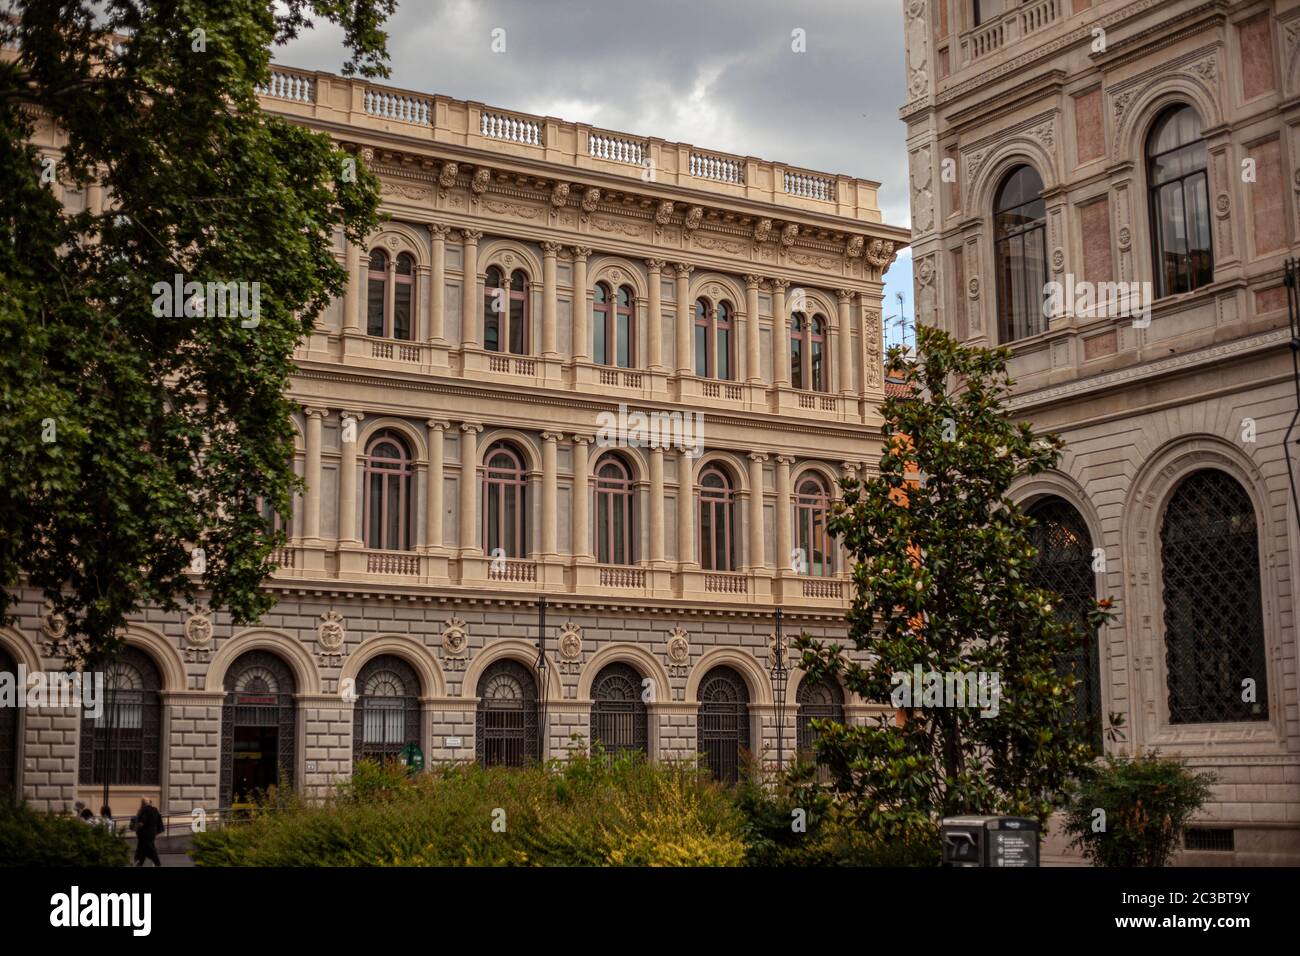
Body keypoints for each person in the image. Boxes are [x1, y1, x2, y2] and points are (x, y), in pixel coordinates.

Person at [133, 797, 163, 867]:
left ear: (143, 803)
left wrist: (135, 827)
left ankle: (157, 863)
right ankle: (140, 863)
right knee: (143, 848)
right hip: (153, 832)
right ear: (150, 802)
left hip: (144, 834)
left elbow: (142, 823)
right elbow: (159, 821)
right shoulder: (155, 810)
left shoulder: (144, 810)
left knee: (149, 848)